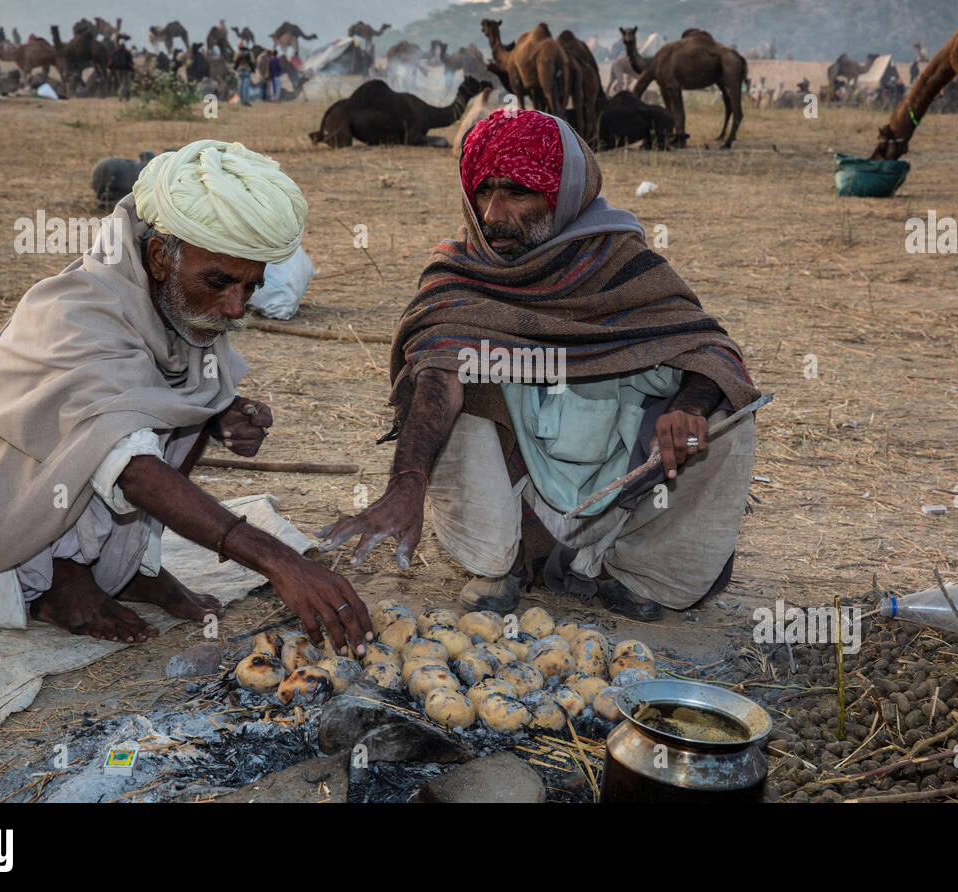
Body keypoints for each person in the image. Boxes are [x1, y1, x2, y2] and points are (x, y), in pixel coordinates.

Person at [0, 140, 371, 653]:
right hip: (8, 507)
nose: (236, 307)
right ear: (162, 257)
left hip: (96, 476)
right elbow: (129, 465)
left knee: (177, 416)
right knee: (121, 442)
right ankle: (60, 575)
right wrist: (278, 560)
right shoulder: (76, 314)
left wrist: (218, 414)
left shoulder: (174, 294)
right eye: (221, 282)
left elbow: (168, 394)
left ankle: (128, 567)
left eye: (251, 287)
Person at [318, 109, 760, 621]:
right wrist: (405, 485)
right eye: (483, 191)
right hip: (512, 497)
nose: (494, 215)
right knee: (442, 392)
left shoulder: (621, 263)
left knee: (728, 416)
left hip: (623, 495)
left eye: (518, 192)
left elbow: (709, 348)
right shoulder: (461, 272)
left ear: (565, 194)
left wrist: (690, 406)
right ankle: (497, 567)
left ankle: (633, 574)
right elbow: (438, 371)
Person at [109, 36, 134, 100]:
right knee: (126, 83)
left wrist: (110, 69)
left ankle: (121, 95)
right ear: (124, 44)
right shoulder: (127, 52)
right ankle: (125, 97)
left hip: (117, 70)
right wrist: (133, 70)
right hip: (125, 70)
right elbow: (130, 63)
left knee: (120, 83)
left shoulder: (115, 52)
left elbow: (111, 61)